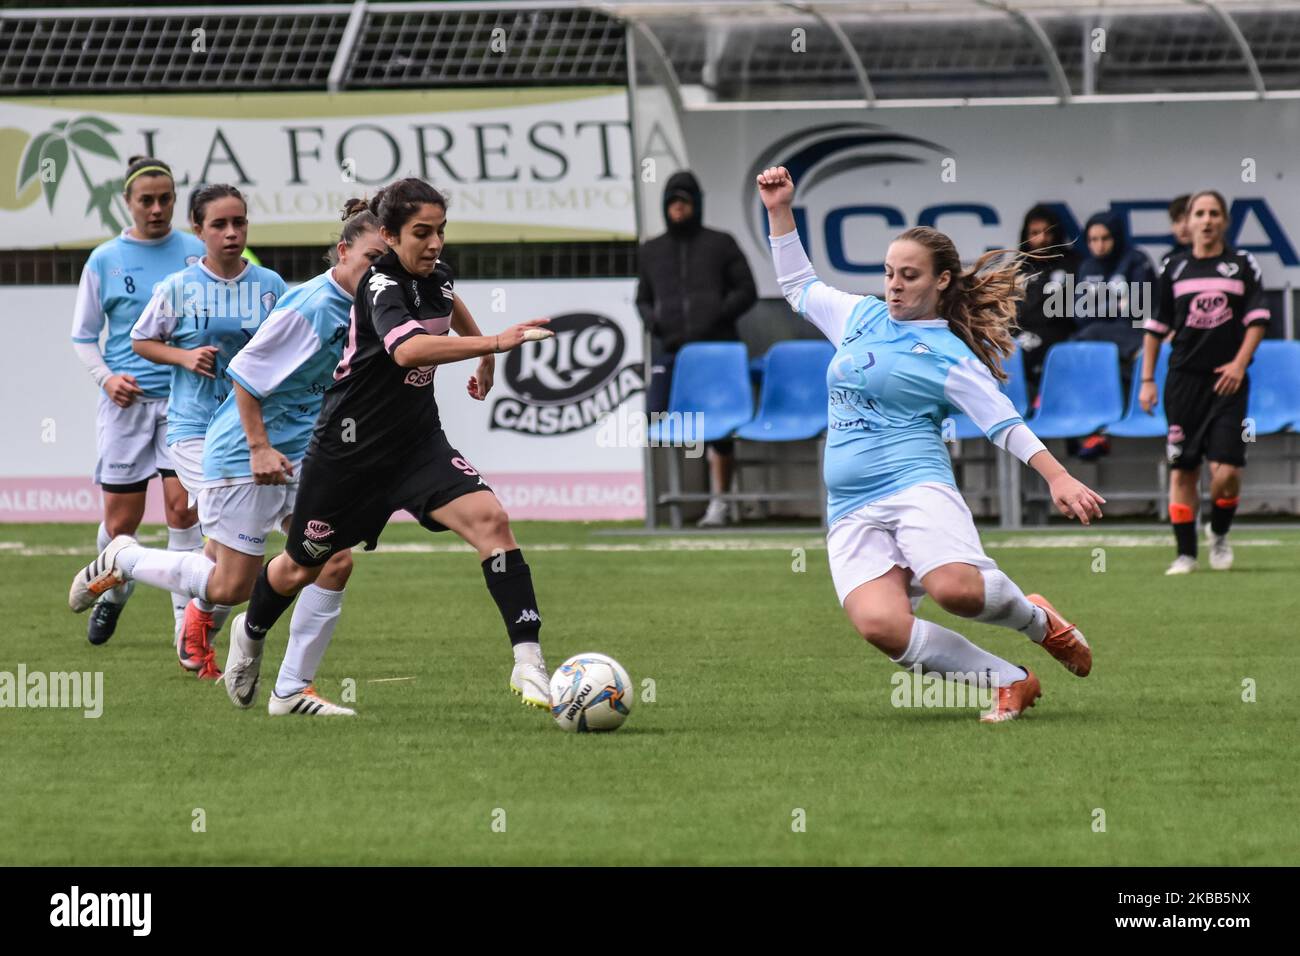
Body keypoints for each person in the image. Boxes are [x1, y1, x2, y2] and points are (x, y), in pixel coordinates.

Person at [70, 178, 558, 714]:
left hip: (360, 445)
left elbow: (444, 294)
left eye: (441, 232)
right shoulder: (335, 299)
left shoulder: (418, 276)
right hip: (273, 450)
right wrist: (258, 447)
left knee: (364, 556)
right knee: (237, 583)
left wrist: (483, 351)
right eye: (419, 235)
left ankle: (295, 689)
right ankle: (128, 557)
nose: (434, 245)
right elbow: (251, 377)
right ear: (357, 250)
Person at [758, 165, 1101, 723]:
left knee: (957, 592)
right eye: (889, 273)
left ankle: (1039, 622)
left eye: (909, 276)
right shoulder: (859, 316)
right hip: (849, 506)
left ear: (941, 282)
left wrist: (1057, 476)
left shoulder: (949, 356)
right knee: (880, 627)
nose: (893, 285)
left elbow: (1003, 422)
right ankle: (1010, 681)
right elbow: (799, 286)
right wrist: (779, 210)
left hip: (915, 486)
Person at [128, 184, 287, 677]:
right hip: (195, 432)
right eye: (219, 225)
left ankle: (196, 625)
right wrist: (183, 355)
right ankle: (190, 624)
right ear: (198, 230)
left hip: (251, 431)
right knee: (225, 552)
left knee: (231, 559)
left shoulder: (270, 286)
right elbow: (141, 340)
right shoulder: (177, 288)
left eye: (239, 223)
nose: (232, 233)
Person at [70, 156, 205, 647]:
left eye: (165, 199)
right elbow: (83, 336)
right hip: (126, 407)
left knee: (183, 513)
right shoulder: (105, 259)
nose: (156, 208)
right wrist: (106, 379)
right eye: (145, 200)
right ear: (127, 203)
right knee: (120, 524)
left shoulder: (196, 251)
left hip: (185, 405)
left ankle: (183, 631)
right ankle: (112, 593)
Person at [1139, 189, 1270, 575]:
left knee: (1227, 471)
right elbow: (1155, 327)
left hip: (1228, 382)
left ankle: (1220, 533)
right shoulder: (1173, 268)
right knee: (1183, 469)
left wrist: (1238, 364)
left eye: (1215, 213)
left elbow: (1258, 320)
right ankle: (1185, 554)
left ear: (1225, 222)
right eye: (1200, 213)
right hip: (1183, 382)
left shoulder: (1243, 264)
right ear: (1188, 222)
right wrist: (1147, 380)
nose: (1207, 220)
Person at [636, 170, 757, 527]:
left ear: (696, 205)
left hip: (718, 351)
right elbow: (642, 299)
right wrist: (654, 321)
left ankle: (720, 501)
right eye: (672, 203)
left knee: (719, 427)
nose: (678, 209)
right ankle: (671, 502)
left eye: (684, 203)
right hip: (672, 351)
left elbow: (746, 291)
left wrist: (714, 316)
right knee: (656, 416)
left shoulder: (722, 243)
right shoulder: (651, 250)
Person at [1070, 211, 1159, 460]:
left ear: (1117, 237)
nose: (1099, 245)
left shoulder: (1136, 261)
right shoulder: (1087, 266)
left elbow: (1140, 308)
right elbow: (1079, 314)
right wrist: (1116, 305)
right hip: (1098, 341)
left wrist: (1103, 307)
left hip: (1135, 333)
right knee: (1082, 346)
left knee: (1088, 339)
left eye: (1105, 238)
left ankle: (1098, 431)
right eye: (1093, 239)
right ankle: (1095, 431)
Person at [1013, 204, 1080, 404]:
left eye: (1047, 232)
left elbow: (1068, 308)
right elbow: (1006, 310)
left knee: (1029, 349)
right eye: (1035, 233)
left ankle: (1039, 402)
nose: (1042, 239)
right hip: (1019, 332)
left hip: (1058, 331)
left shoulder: (1073, 264)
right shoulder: (1016, 267)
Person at [1161, 193, 1192, 268]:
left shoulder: (1220, 257)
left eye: (1188, 220)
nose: (1183, 227)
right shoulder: (1168, 260)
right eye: (1177, 221)